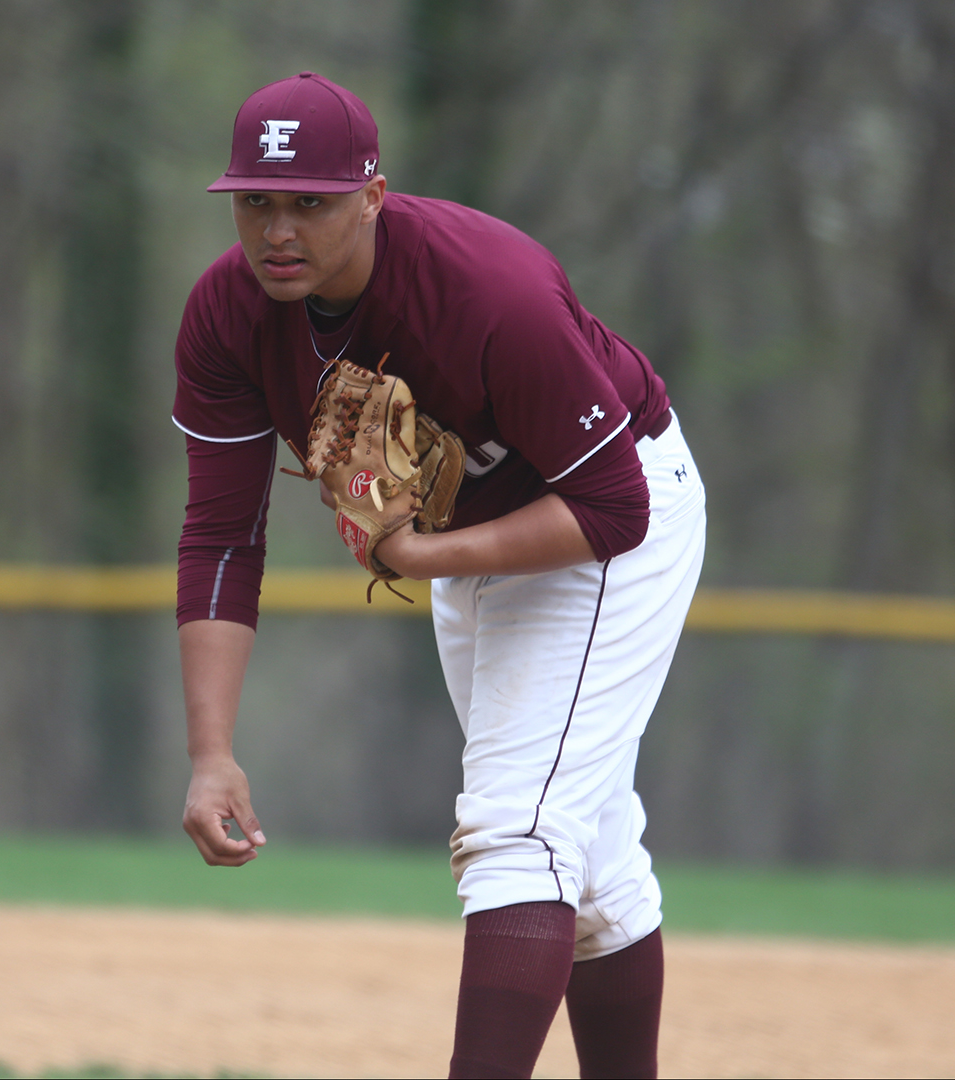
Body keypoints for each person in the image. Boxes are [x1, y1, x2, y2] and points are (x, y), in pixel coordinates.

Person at [173, 73, 706, 1078]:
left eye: (312, 203)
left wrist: (418, 557)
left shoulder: (488, 293)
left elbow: (613, 511)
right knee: (581, 870)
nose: (279, 230)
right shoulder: (228, 317)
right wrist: (211, 751)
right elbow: (221, 535)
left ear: (373, 196)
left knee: (515, 831)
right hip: (479, 542)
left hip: (608, 513)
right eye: (257, 201)